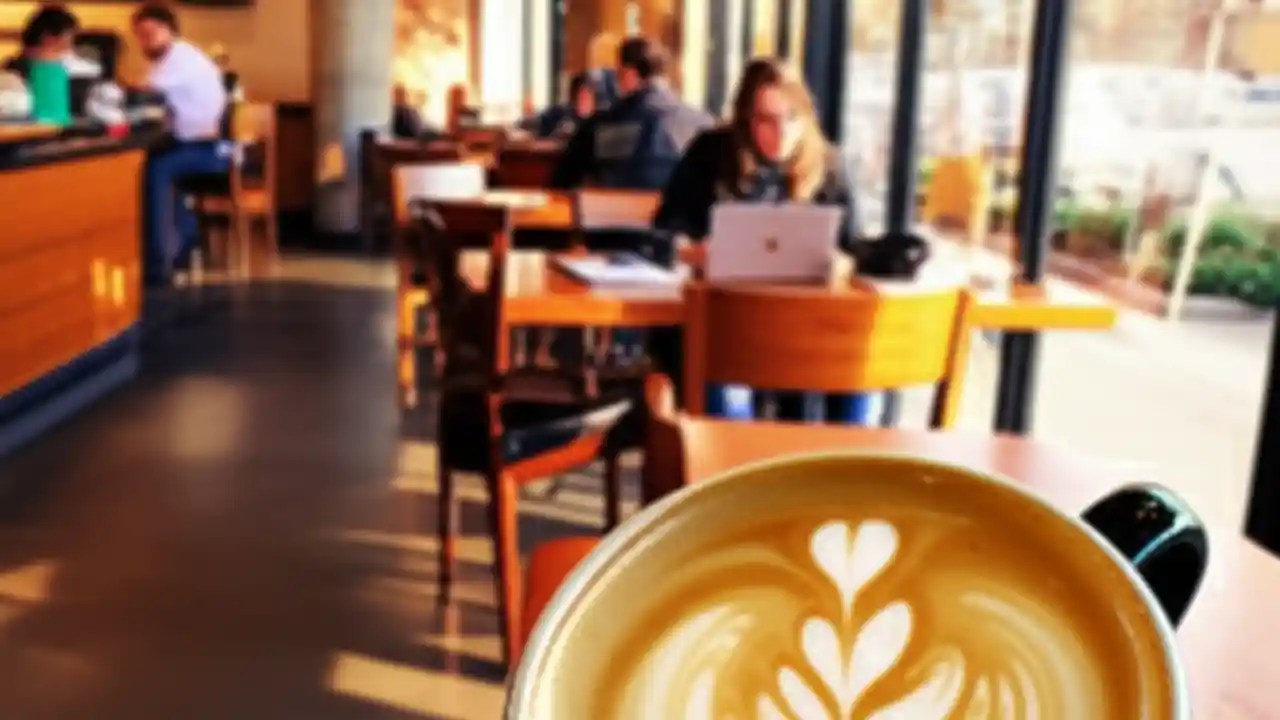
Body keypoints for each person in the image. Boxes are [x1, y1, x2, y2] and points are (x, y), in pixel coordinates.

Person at [654, 58, 881, 425]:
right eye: (766, 120)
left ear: (807, 116)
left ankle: (836, 471)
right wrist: (692, 251)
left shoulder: (828, 164)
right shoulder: (711, 154)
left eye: (792, 118)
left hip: (807, 331)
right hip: (727, 325)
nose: (781, 133)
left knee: (862, 378)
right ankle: (733, 468)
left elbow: (856, 247)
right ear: (745, 118)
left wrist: (843, 262)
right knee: (723, 387)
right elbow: (665, 229)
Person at [132, 3, 229, 284]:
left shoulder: (180, 58)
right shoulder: (176, 58)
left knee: (156, 169)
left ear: (169, 31)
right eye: (139, 35)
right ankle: (181, 247)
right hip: (198, 144)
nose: (144, 42)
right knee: (157, 162)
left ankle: (157, 262)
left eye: (149, 34)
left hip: (206, 150)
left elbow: (145, 90)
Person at [552, 37, 713, 196]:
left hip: (615, 218)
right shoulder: (703, 124)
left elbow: (562, 182)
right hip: (678, 218)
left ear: (628, 74)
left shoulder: (604, 125)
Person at [3, 5, 78, 125]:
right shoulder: (49, 72)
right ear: (50, 40)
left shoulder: (11, 70)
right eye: (66, 43)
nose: (69, 50)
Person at [525, 73, 596, 140]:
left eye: (588, 97)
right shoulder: (558, 113)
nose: (585, 101)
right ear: (572, 96)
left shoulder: (598, 122)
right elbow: (534, 123)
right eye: (582, 96)